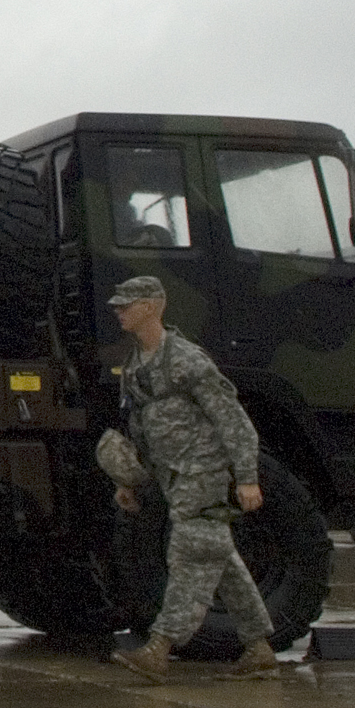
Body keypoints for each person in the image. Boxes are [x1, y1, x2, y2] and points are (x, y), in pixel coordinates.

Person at [106, 275, 279, 683]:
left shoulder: (187, 360)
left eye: (126, 304)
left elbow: (233, 419)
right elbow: (138, 428)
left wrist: (247, 478)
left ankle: (160, 647)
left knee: (191, 557)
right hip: (173, 477)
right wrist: (128, 480)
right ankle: (259, 648)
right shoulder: (135, 365)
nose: (118, 311)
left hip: (203, 472)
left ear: (151, 306)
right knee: (220, 557)